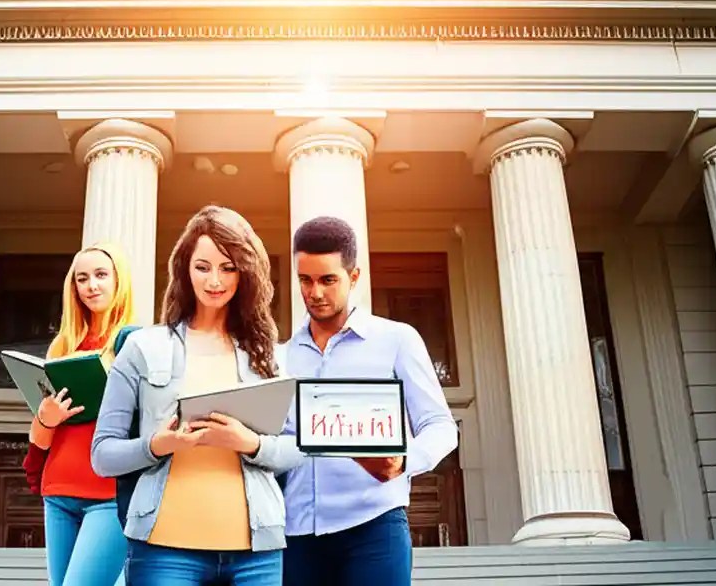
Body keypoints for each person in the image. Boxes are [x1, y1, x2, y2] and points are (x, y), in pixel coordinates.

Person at [91, 205, 303, 586]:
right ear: (184, 270)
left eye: (228, 267)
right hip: (163, 552)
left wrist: (250, 443)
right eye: (202, 266)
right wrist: (159, 444)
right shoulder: (142, 347)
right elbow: (102, 455)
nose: (215, 280)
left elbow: (297, 448)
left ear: (246, 272)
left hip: (257, 555)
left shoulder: (269, 352)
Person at [280, 216, 458, 586]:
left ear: (354, 276)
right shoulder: (280, 357)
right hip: (296, 533)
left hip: (375, 528)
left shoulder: (397, 340)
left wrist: (404, 461)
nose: (315, 292)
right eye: (305, 279)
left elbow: (440, 426)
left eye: (328, 280)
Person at [23, 244, 135, 586]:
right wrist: (47, 417)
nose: (91, 285)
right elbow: (40, 438)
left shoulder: (134, 341)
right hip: (57, 491)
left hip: (106, 494)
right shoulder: (61, 347)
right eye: (82, 278)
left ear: (119, 282)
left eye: (101, 275)